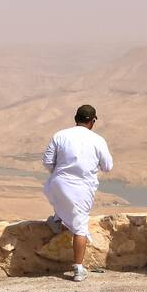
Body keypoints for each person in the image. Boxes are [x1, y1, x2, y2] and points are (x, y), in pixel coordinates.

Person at [42, 104, 113, 282]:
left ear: (76, 118)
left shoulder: (60, 135)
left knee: (61, 200)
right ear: (92, 121)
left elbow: (47, 161)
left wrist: (60, 171)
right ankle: (79, 268)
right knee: (80, 227)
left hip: (59, 183)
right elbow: (107, 166)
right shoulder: (98, 140)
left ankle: (57, 220)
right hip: (82, 187)